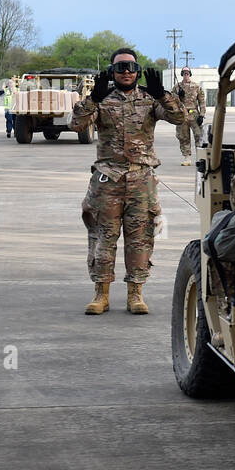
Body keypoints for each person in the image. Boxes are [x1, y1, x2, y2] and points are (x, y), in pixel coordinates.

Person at [69, 49, 186, 315]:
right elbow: (75, 124)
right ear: (112, 71)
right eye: (120, 67)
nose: (126, 72)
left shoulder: (149, 98)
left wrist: (162, 95)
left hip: (140, 180)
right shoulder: (102, 99)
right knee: (102, 238)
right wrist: (92, 99)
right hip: (107, 181)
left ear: (138, 70)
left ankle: (136, 293)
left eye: (131, 67)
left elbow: (181, 118)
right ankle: (101, 294)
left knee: (140, 239)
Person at [174, 67, 205, 166]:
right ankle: (187, 158)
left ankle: (200, 157)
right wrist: (178, 96)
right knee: (183, 137)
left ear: (190, 74)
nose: (185, 75)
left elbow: (202, 102)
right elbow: (170, 101)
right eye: (184, 73)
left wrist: (202, 114)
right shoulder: (177, 87)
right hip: (182, 114)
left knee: (199, 136)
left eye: (187, 73)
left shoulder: (196, 86)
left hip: (194, 114)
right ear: (182, 74)